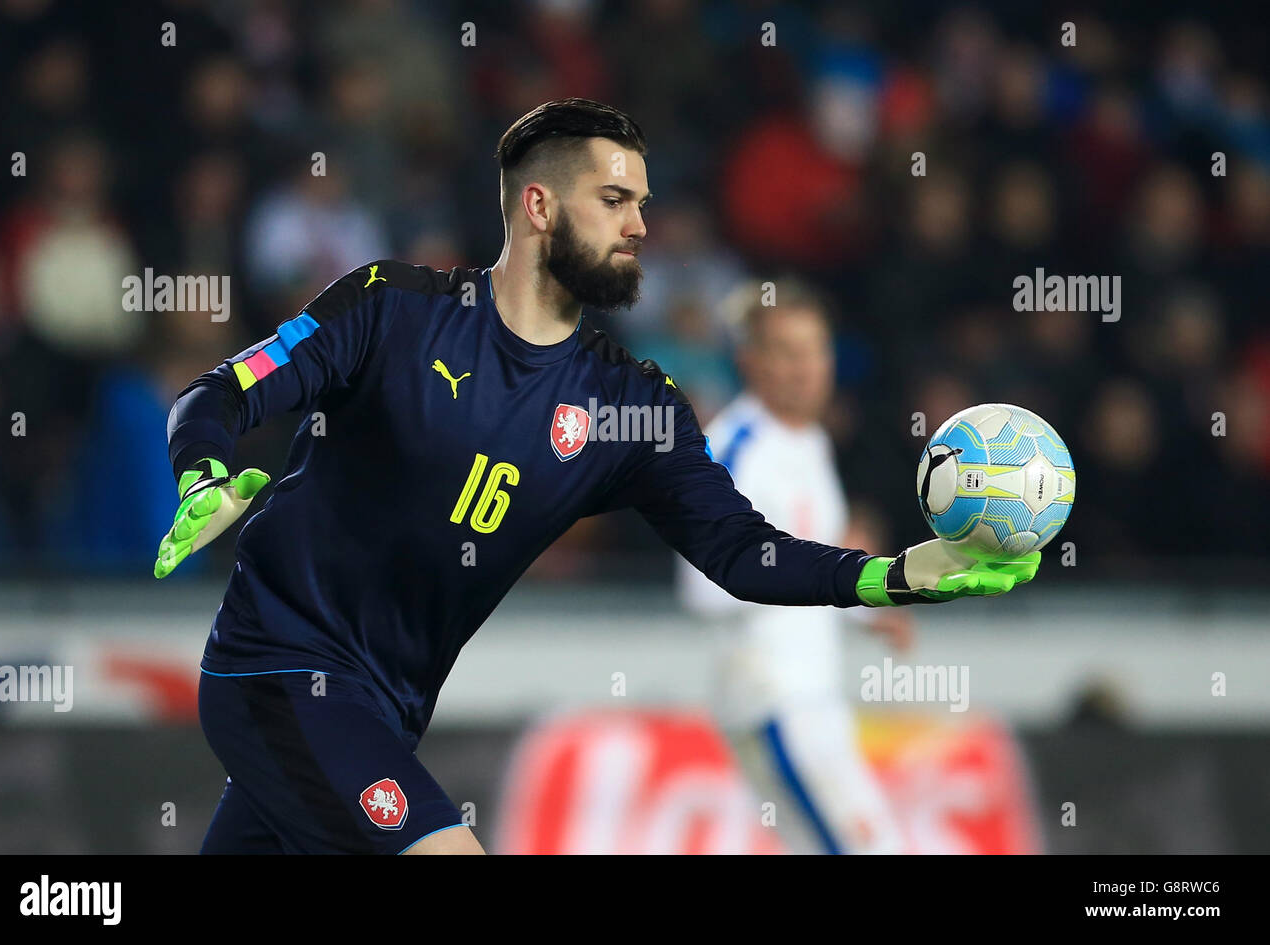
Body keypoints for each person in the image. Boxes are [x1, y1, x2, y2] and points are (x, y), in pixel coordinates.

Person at [156, 98, 1040, 855]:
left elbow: (741, 551)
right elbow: (217, 395)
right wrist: (203, 477)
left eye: (643, 204)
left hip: (389, 708)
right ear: (538, 205)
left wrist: (893, 576)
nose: (640, 226)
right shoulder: (392, 307)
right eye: (615, 200)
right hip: (276, 666)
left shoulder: (629, 405)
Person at [678, 280, 911, 854]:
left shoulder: (807, 442)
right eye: (787, 351)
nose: (806, 368)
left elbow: (809, 561)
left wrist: (863, 608)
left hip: (810, 695)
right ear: (750, 361)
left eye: (817, 350)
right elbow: (701, 587)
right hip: (775, 695)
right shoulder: (734, 448)